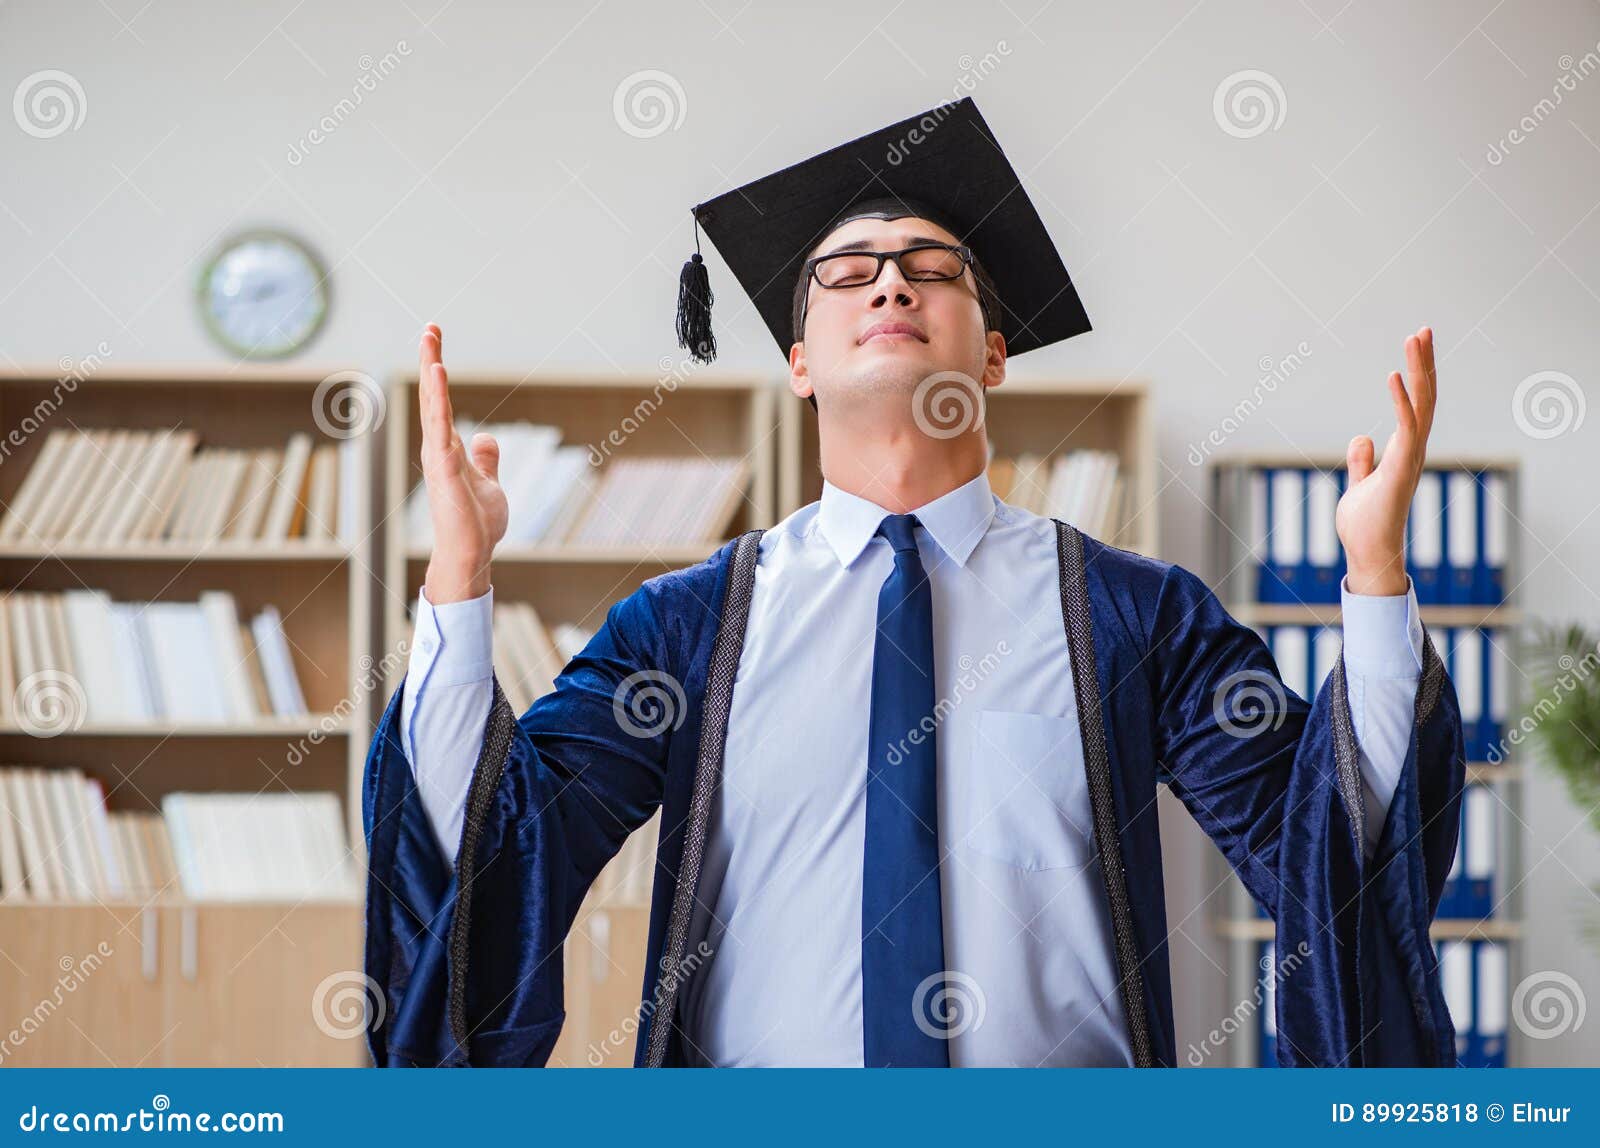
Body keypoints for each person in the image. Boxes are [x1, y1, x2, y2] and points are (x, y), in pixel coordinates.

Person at [362, 98, 1464, 1067]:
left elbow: (1335, 854)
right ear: (800, 363)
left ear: (991, 352)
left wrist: (1372, 583)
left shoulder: (1139, 617)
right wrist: (458, 578)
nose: (889, 280)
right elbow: (496, 857)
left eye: (933, 269)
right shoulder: (684, 628)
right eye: (845, 275)